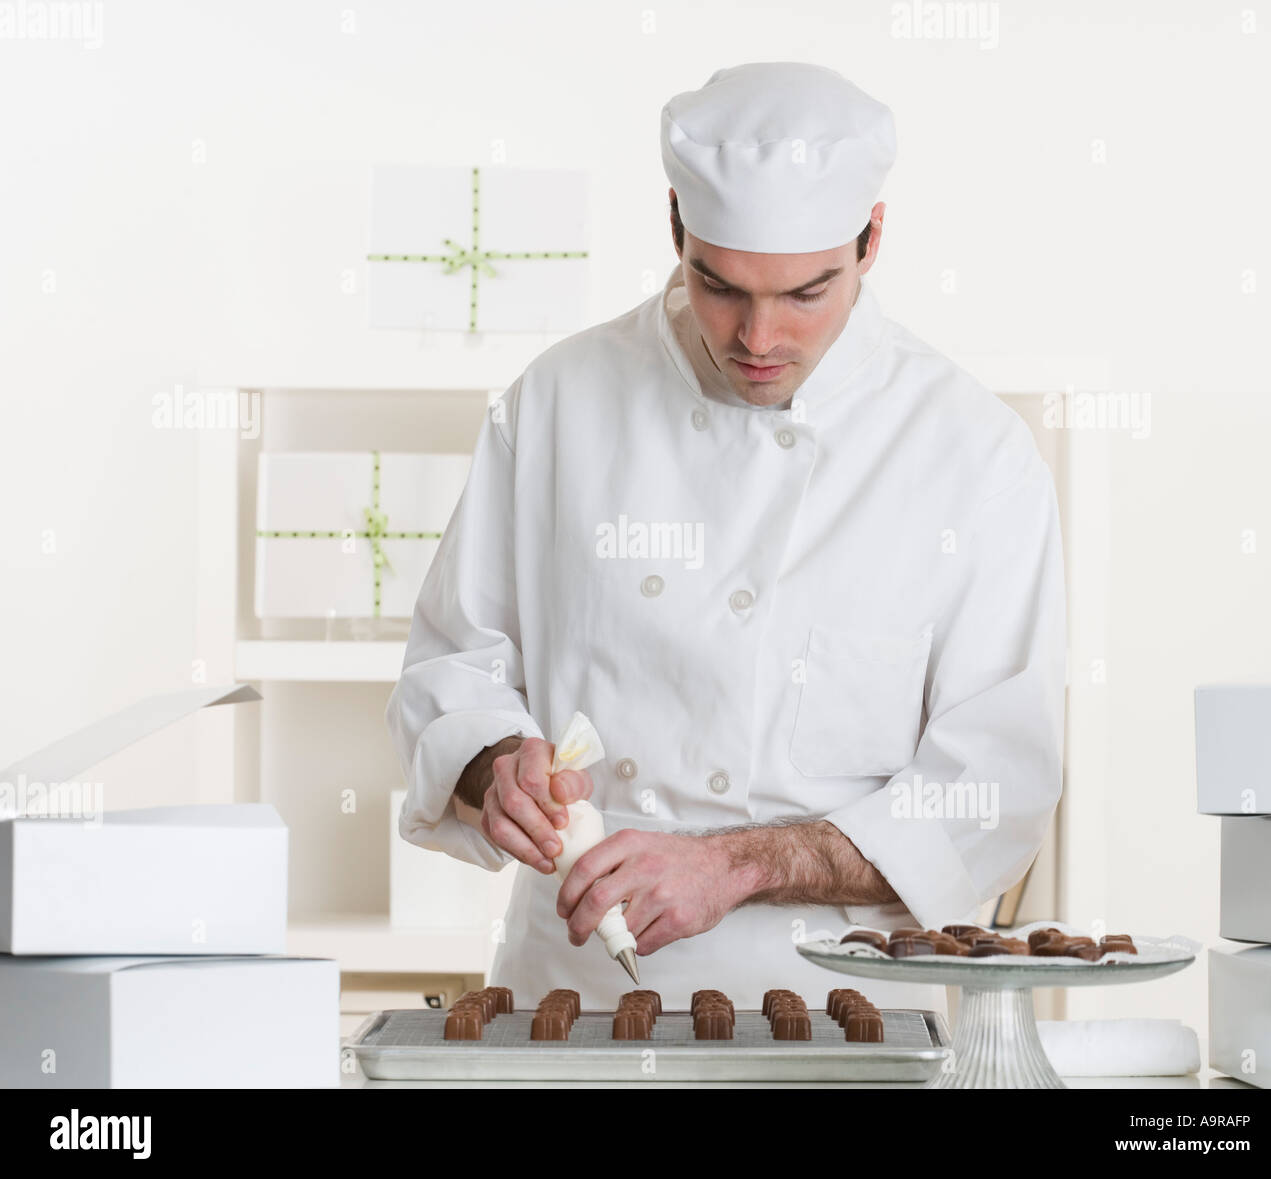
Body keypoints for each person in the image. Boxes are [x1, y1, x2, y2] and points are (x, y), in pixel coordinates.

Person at [385, 62, 1066, 1012]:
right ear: (675, 226)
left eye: (804, 293)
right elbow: (451, 669)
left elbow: (991, 788)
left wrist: (735, 868)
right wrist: (493, 766)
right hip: (568, 1006)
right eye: (720, 285)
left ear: (871, 240)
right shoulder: (555, 406)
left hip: (842, 1016)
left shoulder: (974, 456)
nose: (758, 336)